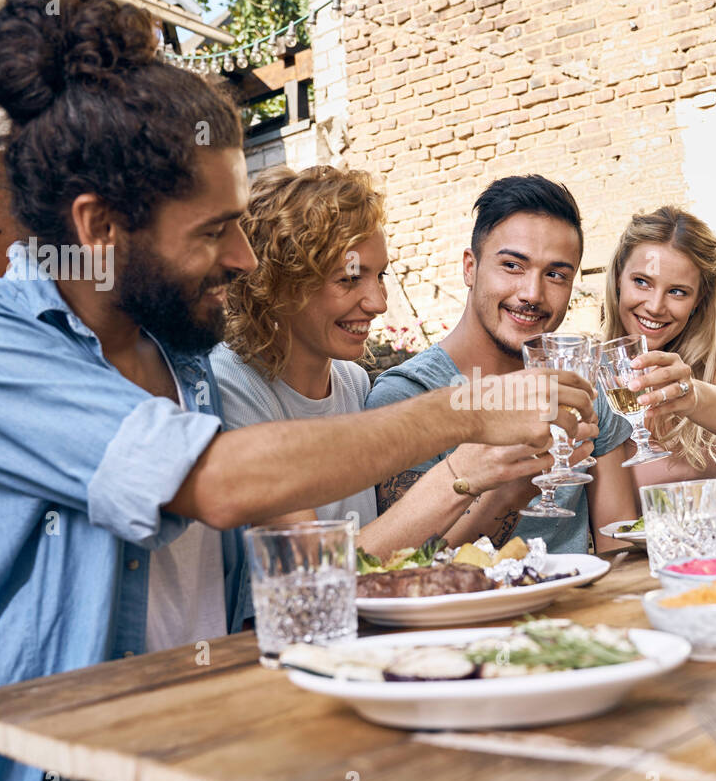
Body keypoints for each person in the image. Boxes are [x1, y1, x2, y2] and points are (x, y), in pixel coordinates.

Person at [0, 0, 593, 781]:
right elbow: (210, 480)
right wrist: (464, 412)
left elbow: (299, 572)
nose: (247, 258)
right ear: (99, 227)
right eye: (215, 230)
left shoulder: (182, 360)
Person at [212, 166, 582, 559]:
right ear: (280, 281)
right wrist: (463, 473)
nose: (379, 303)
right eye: (349, 279)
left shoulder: (351, 382)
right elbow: (318, 569)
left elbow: (395, 556)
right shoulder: (231, 387)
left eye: (380, 275)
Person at [365, 175, 639, 554]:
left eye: (556, 274)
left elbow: (619, 550)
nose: (532, 293)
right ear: (470, 268)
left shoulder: (577, 389)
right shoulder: (407, 396)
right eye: (512, 265)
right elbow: (408, 569)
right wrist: (519, 480)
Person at [600, 206, 716, 490]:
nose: (655, 306)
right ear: (619, 278)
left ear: (699, 299)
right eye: (642, 282)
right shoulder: (588, 365)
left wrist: (693, 396)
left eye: (677, 292)